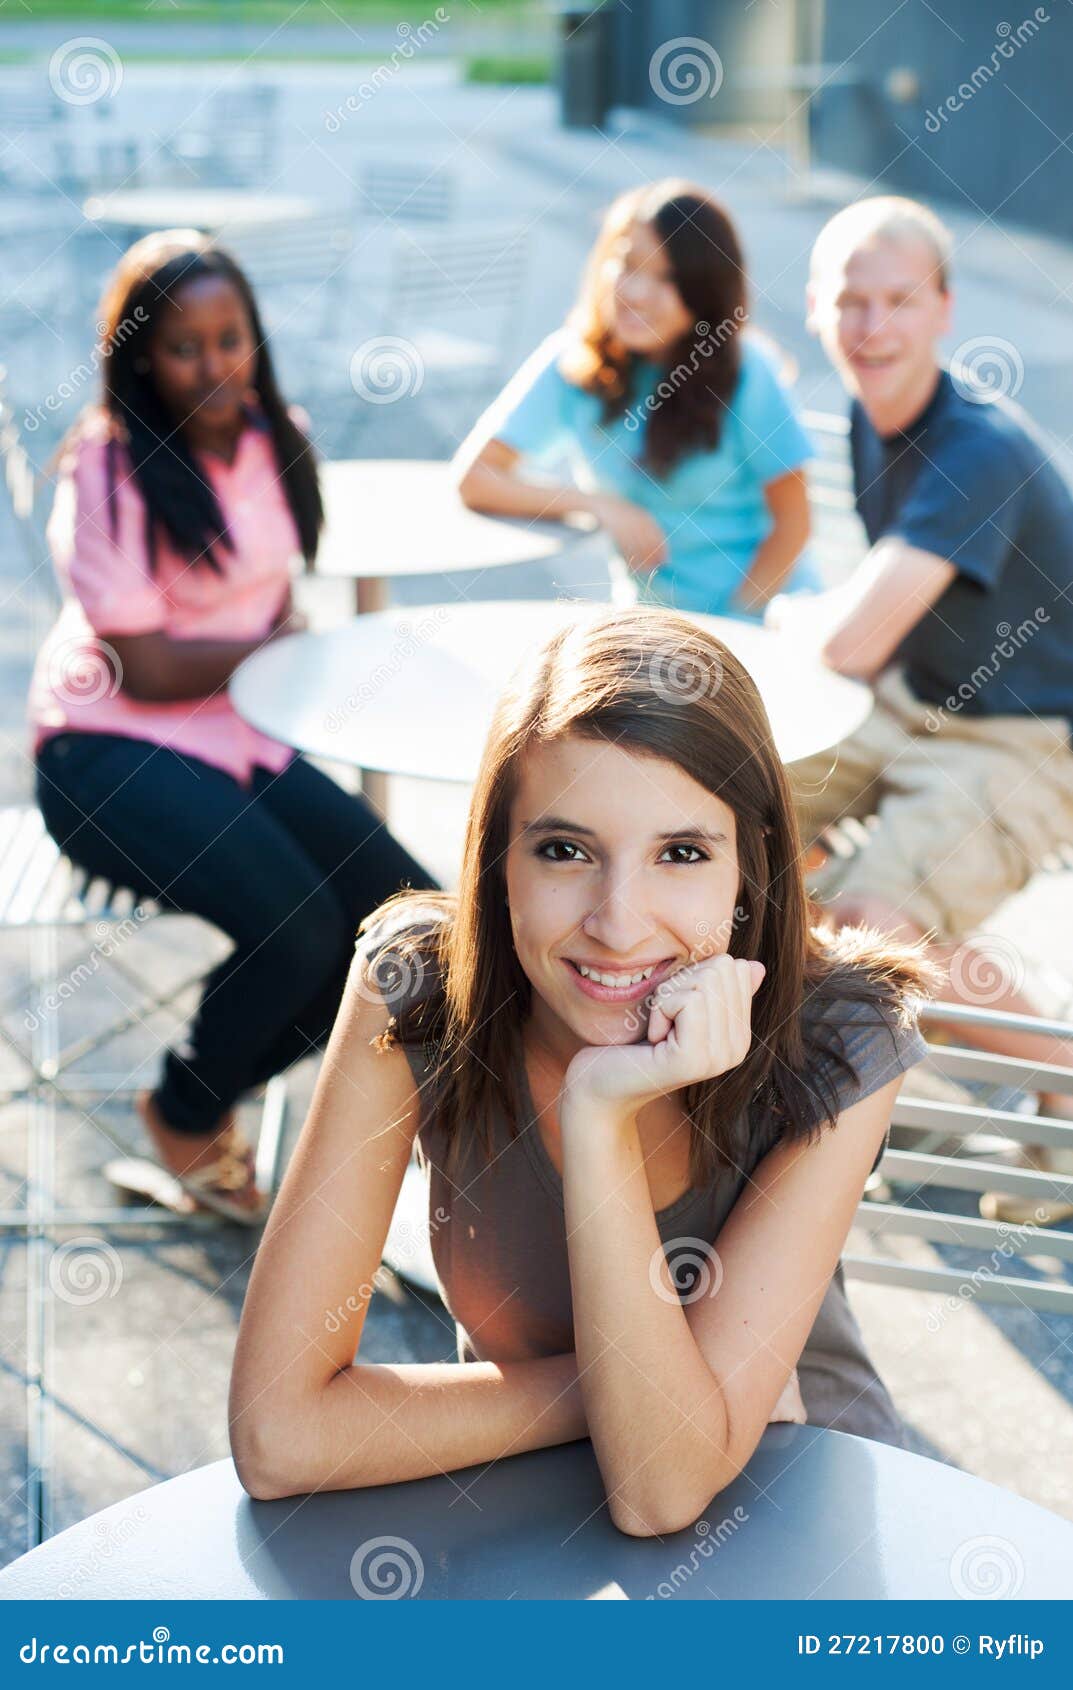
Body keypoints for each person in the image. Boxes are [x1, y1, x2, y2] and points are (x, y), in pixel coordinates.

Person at [229, 606, 935, 1531]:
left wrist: (598, 1117)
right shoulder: (418, 989)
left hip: (794, 1517)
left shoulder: (843, 1030)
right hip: (522, 1517)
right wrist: (616, 1390)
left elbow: (660, 1492)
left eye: (681, 854)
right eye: (565, 851)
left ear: (751, 863)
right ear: (497, 860)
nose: (618, 919)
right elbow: (278, 1439)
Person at [28, 230, 436, 1225]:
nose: (214, 364)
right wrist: (278, 648)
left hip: (242, 732)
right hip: (105, 752)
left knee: (413, 924)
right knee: (297, 933)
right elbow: (154, 668)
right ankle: (187, 1108)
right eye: (183, 346)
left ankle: (226, 1098)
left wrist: (280, 650)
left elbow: (270, 608)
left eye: (230, 337)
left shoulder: (271, 433)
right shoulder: (110, 472)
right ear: (138, 358)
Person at [767, 194, 1073, 1226]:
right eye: (849, 302)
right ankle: (860, 1035)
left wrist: (789, 613)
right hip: (917, 697)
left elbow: (846, 638)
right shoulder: (870, 411)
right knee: (722, 805)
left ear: (942, 308)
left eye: (897, 300)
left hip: (1030, 735)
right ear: (816, 310)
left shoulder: (973, 447)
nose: (871, 326)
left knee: (871, 922)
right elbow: (871, 639)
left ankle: (1063, 1081)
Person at [453, 179, 819, 620]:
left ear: (705, 292)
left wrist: (728, 632)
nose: (636, 293)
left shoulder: (747, 372)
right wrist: (600, 506)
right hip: (646, 631)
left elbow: (793, 526)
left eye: (666, 277)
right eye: (627, 264)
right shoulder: (573, 362)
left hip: (756, 621)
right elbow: (476, 477)